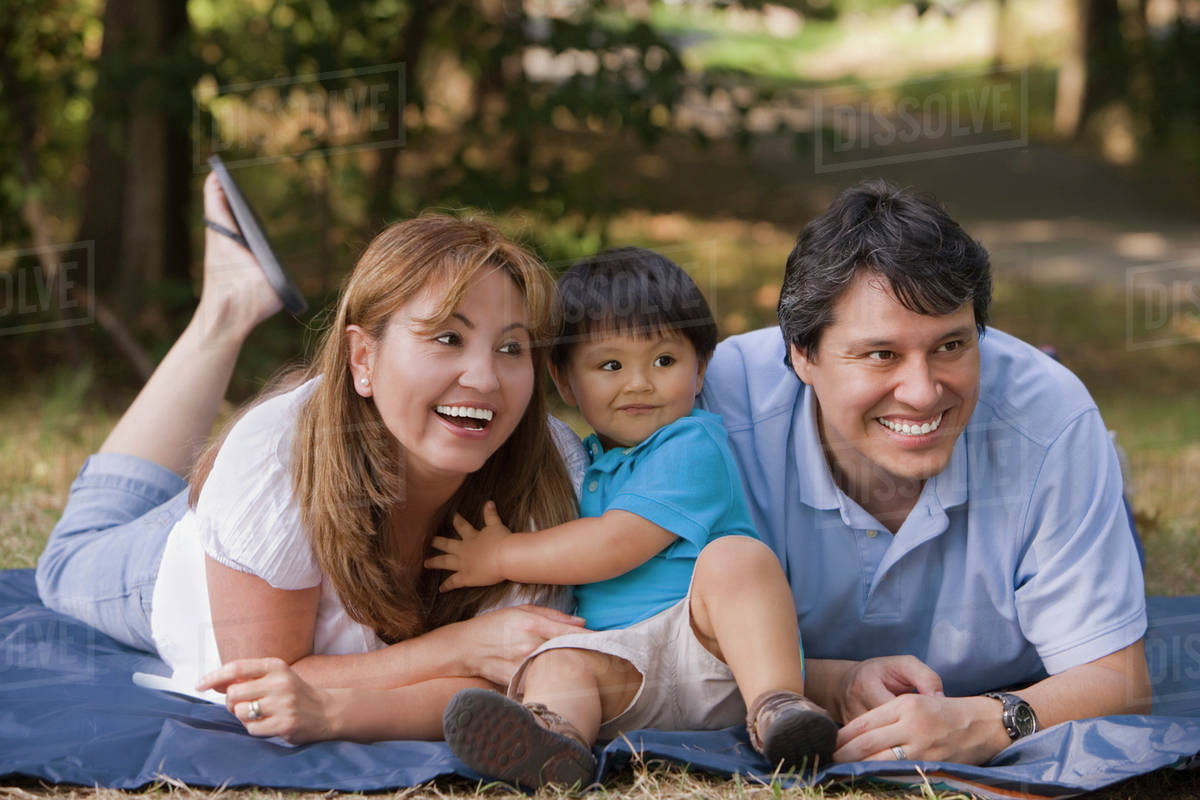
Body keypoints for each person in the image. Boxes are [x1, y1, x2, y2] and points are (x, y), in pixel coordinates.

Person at [35, 170, 592, 743]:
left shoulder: (551, 474)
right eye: (447, 338)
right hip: (182, 571)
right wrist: (461, 647)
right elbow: (267, 687)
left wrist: (471, 665)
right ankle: (225, 308)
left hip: (320, 462)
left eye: (510, 347)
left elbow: (513, 682)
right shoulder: (275, 462)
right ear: (363, 359)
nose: (484, 378)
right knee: (64, 566)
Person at [698, 179, 1152, 766]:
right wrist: (834, 682)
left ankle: (1105, 471)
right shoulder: (719, 411)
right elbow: (658, 632)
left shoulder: (1052, 422)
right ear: (801, 355)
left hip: (1051, 447)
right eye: (881, 354)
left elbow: (1122, 679)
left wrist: (989, 720)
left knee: (1075, 453)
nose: (922, 391)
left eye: (951, 346)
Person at [424, 248, 838, 789]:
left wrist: (498, 555)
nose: (639, 383)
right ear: (566, 382)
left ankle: (778, 707)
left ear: (700, 369)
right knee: (559, 660)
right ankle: (557, 740)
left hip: (710, 653)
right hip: (621, 668)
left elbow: (614, 543)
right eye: (610, 365)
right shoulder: (588, 463)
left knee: (736, 558)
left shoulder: (692, 443)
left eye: (664, 361)